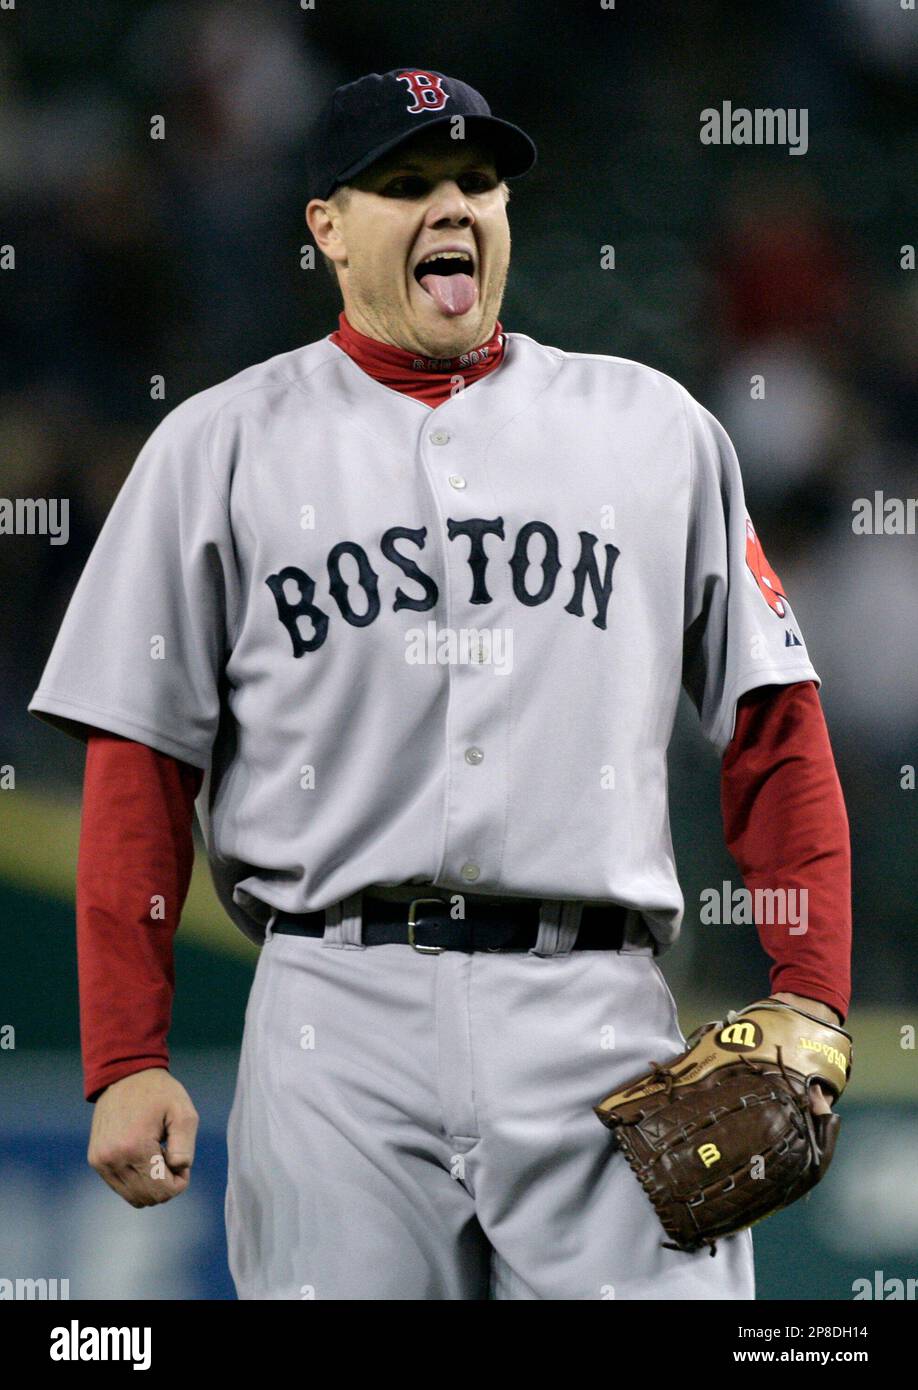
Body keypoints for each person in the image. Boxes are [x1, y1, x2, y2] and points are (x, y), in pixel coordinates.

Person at [29, 68, 851, 1301]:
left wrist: (815, 995)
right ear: (327, 225)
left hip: (601, 1015)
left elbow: (773, 728)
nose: (452, 206)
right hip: (333, 1012)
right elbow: (141, 767)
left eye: (476, 181)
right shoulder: (219, 445)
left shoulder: (652, 428)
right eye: (406, 185)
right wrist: (123, 1054)